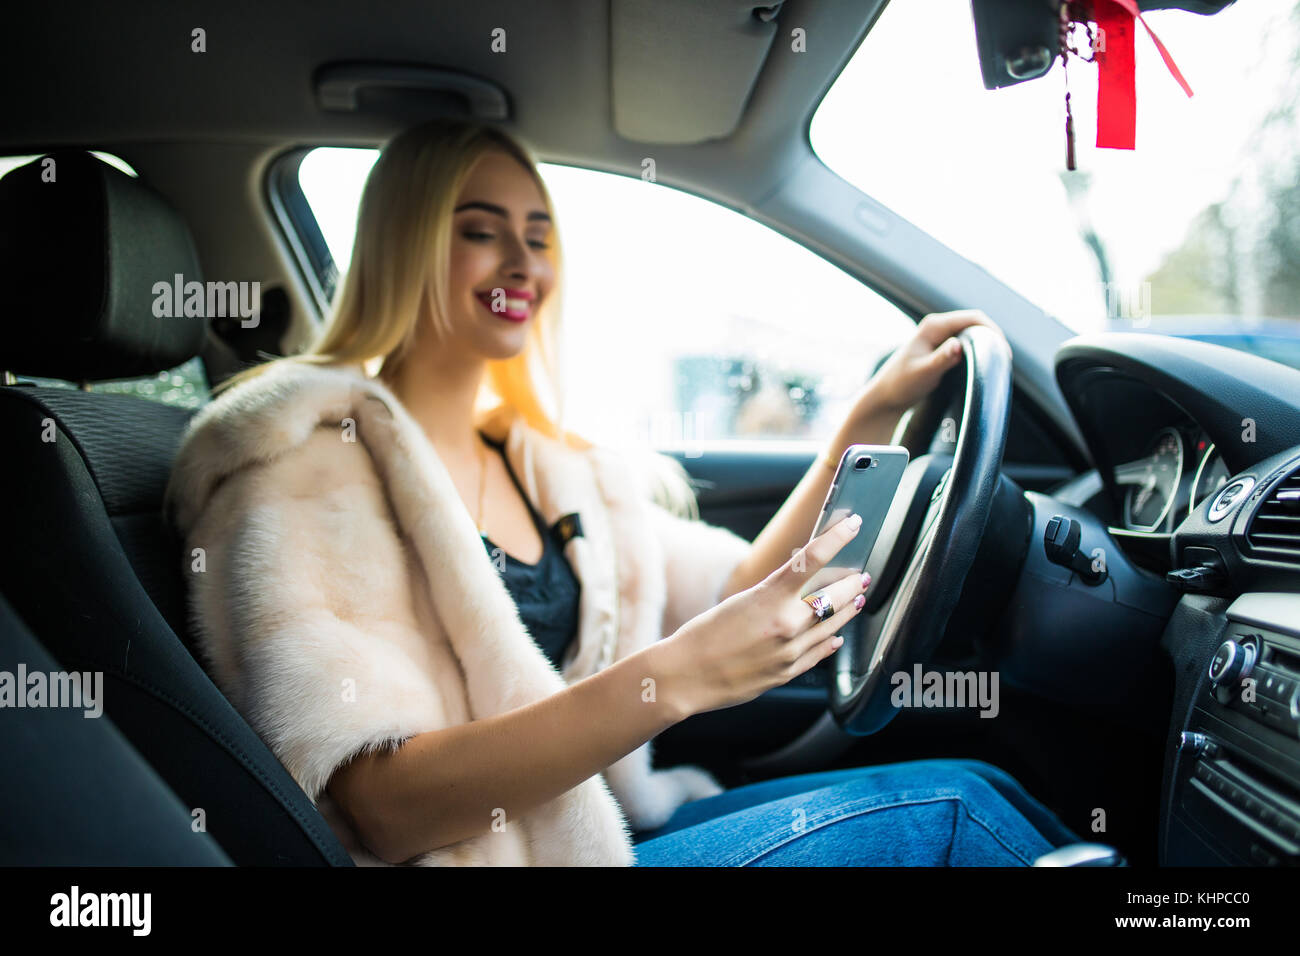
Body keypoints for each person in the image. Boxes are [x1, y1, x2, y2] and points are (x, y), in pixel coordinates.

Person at [164, 118, 1081, 866]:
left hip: (609, 833)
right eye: (480, 231)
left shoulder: (546, 467)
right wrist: (670, 681)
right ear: (402, 247)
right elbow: (380, 809)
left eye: (538, 237)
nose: (521, 264)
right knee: (958, 814)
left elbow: (736, 590)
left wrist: (873, 412)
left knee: (983, 783)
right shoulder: (307, 462)